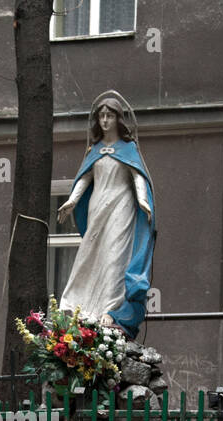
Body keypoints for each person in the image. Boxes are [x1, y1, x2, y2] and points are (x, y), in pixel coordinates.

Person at [57, 91, 156, 336]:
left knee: (115, 256)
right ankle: (76, 306)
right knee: (90, 254)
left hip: (122, 206)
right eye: (101, 116)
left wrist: (143, 201)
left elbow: (137, 176)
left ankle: (110, 310)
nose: (104, 120)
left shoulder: (128, 148)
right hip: (98, 205)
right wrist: (71, 201)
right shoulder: (95, 150)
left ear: (118, 119)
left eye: (109, 116)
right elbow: (85, 178)